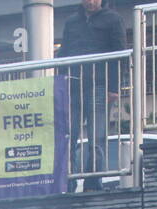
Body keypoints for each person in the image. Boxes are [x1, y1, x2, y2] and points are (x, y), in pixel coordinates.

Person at [57, 0, 125, 184]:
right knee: (68, 138)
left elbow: (120, 55)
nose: (91, 1)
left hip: (99, 86)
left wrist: (114, 87)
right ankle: (69, 184)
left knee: (97, 139)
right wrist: (60, 84)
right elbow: (63, 54)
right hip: (74, 86)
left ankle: (93, 184)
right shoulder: (71, 22)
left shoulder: (113, 19)